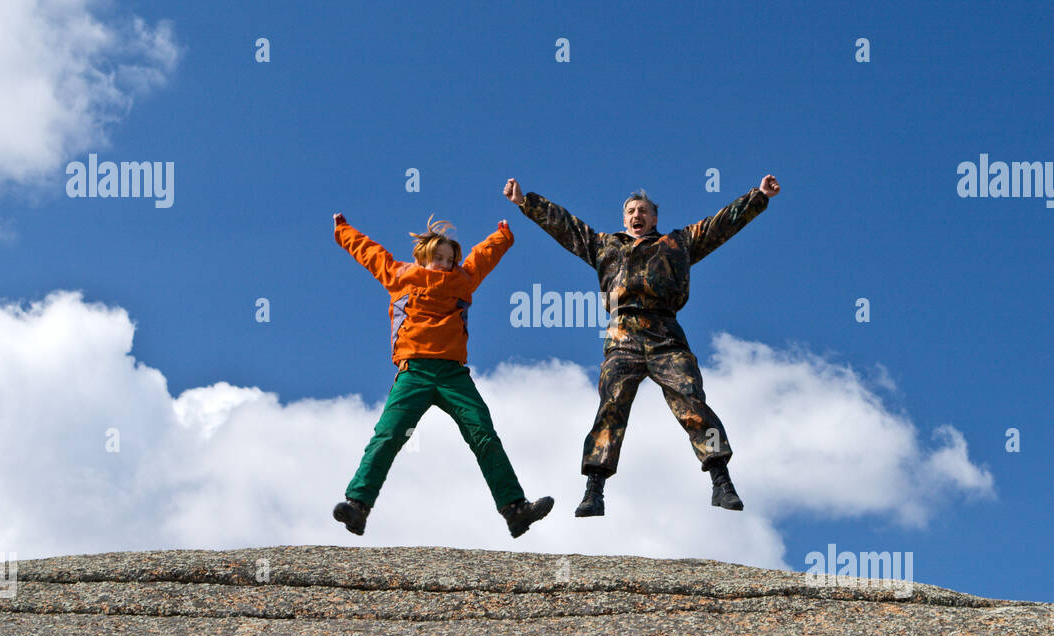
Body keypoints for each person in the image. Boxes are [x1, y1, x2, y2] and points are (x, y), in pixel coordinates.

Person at [504, 174, 780, 516]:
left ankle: (721, 481)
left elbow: (719, 224)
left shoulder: (678, 244)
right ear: (624, 219)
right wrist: (525, 202)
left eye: (644, 211)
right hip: (623, 335)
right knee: (612, 403)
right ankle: (594, 490)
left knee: (692, 400)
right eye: (632, 210)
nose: (638, 215)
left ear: (655, 218)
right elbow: (567, 226)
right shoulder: (605, 245)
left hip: (666, 334)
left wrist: (759, 197)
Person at [331, 211, 553, 538]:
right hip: (414, 372)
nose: (445, 264)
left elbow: (483, 257)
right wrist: (343, 230)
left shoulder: (462, 281)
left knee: (483, 434)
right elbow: (369, 252)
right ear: (422, 257)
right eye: (438, 258)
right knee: (388, 435)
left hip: (453, 375)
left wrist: (503, 235)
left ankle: (516, 511)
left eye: (450, 259)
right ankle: (358, 506)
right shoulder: (400, 275)